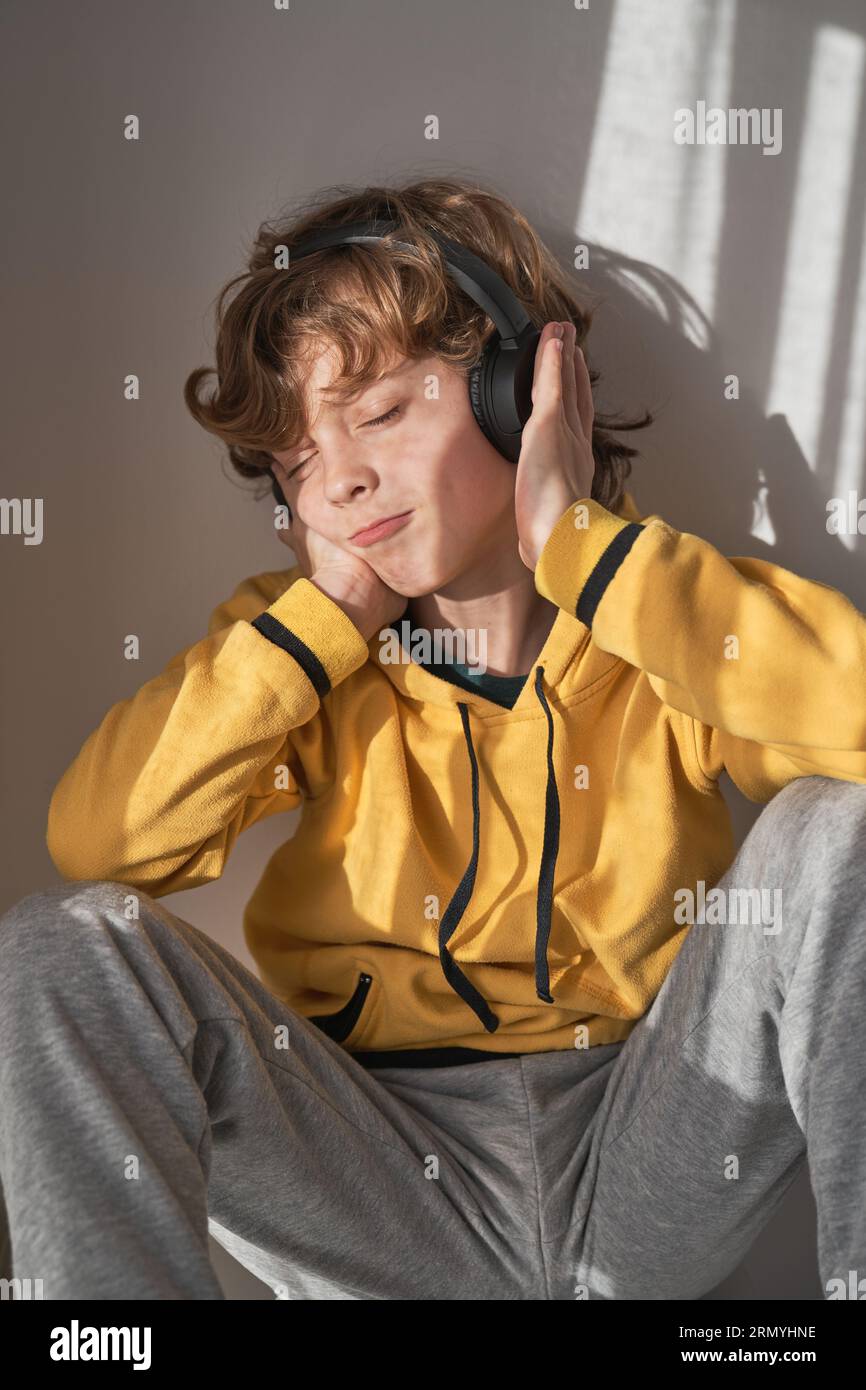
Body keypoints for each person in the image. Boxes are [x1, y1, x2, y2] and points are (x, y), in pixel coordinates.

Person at [2, 176, 865, 1301]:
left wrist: (582, 551)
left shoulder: (659, 620)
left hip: (644, 1149)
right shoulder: (299, 650)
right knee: (60, 940)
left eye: (378, 413)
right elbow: (98, 841)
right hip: (383, 1183)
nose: (341, 476)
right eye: (299, 461)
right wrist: (324, 630)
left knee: (835, 828)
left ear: (520, 393)